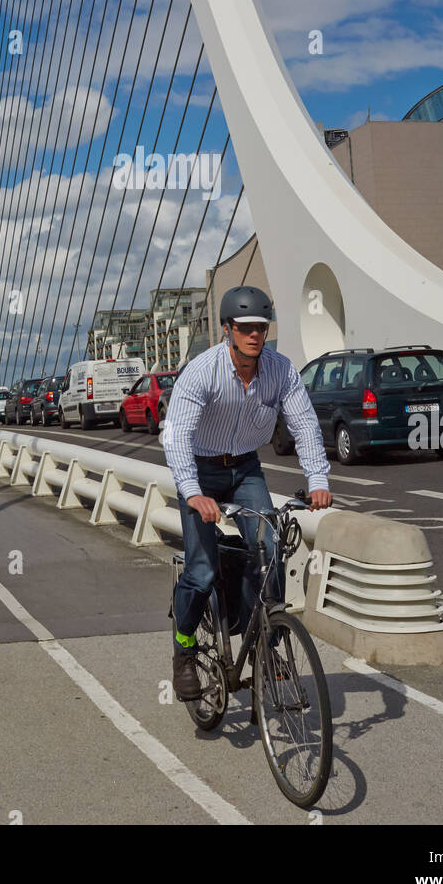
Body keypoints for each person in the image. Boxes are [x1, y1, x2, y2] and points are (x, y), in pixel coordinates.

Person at [163, 285, 332, 702]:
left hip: (244, 469)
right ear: (227, 330)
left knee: (270, 551)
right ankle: (184, 651)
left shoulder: (281, 370)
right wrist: (191, 492)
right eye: (245, 328)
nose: (255, 335)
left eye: (261, 326)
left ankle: (266, 647)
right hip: (201, 471)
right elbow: (176, 435)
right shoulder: (202, 372)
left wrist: (318, 481)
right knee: (201, 571)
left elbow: (305, 426)